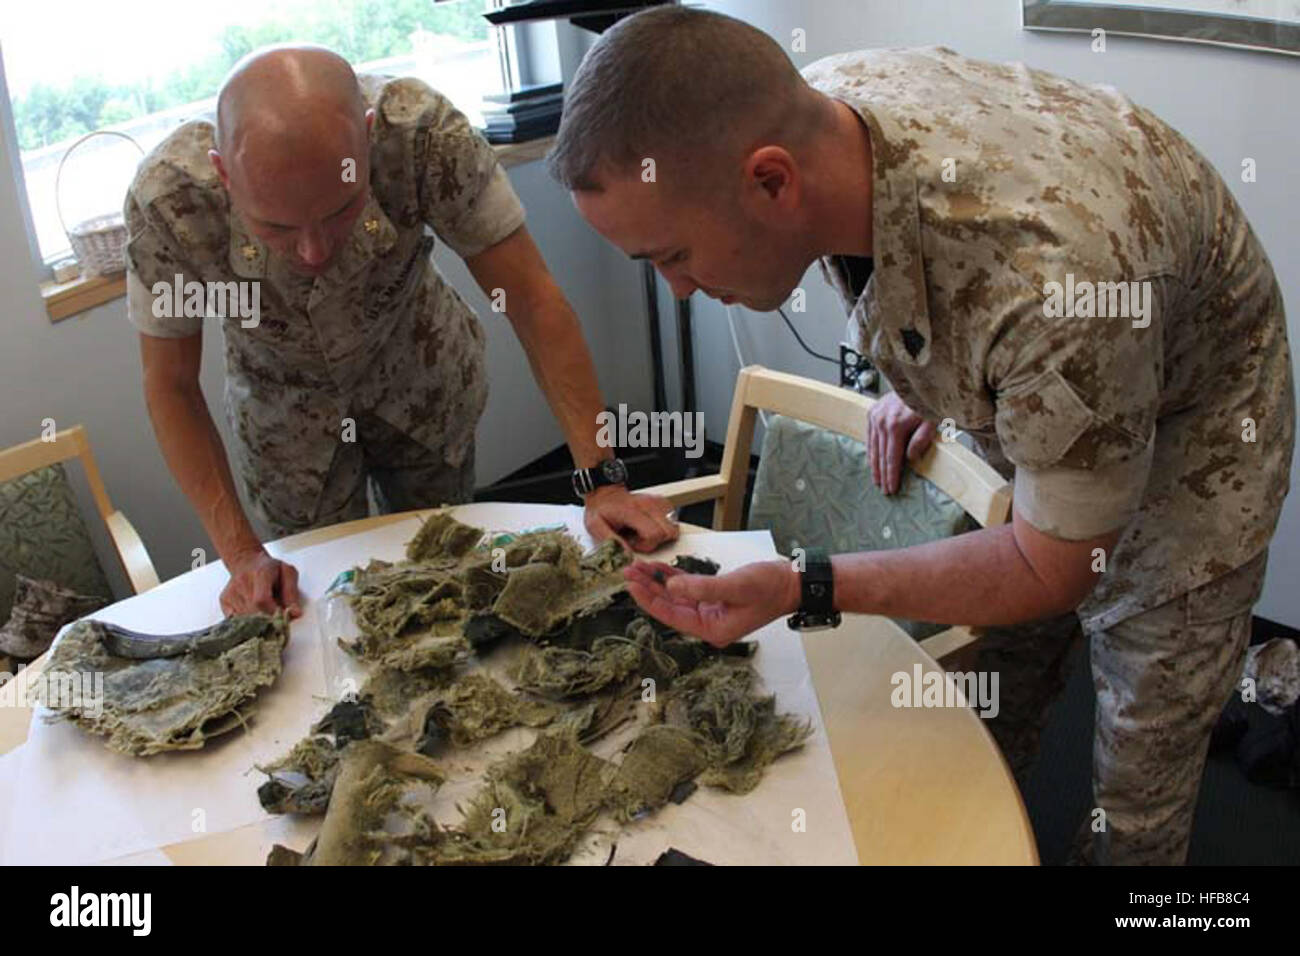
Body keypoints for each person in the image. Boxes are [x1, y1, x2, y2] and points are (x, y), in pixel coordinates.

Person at [550, 7, 1295, 864]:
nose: (677, 291)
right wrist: (937, 376)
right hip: (1071, 349)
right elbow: (945, 280)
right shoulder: (819, 113)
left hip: (1193, 428)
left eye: (671, 255)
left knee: (1137, 777)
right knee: (990, 690)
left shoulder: (1047, 286)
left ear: (770, 183)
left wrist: (804, 586)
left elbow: (1048, 568)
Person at [126, 46, 677, 620]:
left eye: (340, 210)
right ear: (222, 173)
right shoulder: (171, 203)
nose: (313, 252)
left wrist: (603, 480)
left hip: (419, 378)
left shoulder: (423, 136)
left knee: (449, 580)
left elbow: (532, 300)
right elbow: (171, 386)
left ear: (366, 139)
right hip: (286, 420)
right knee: (319, 607)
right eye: (278, 228)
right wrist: (240, 555)